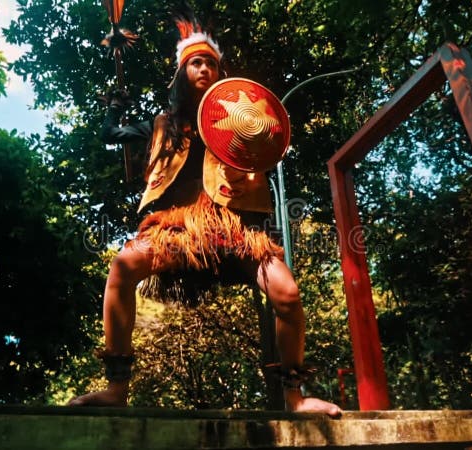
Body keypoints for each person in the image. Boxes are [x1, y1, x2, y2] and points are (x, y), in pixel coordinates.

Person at [68, 14, 341, 418]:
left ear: (218, 73)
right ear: (182, 72)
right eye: (196, 63)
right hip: (176, 228)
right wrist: (114, 108)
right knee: (123, 267)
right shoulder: (162, 124)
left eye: (211, 63)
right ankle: (115, 388)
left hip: (236, 229)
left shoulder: (241, 124)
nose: (204, 68)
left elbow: (269, 145)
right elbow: (111, 136)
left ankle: (296, 398)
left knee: (288, 294)